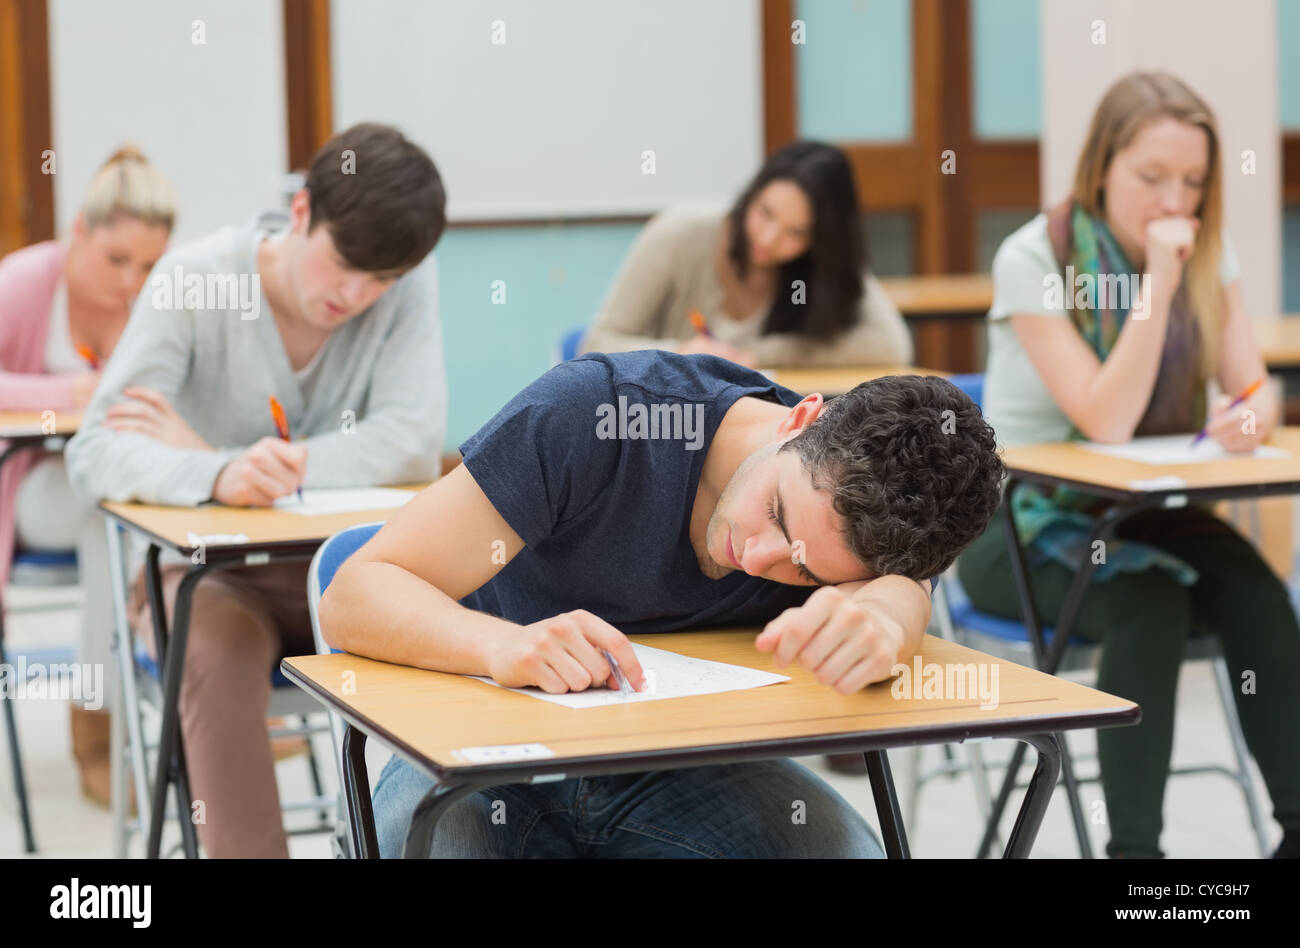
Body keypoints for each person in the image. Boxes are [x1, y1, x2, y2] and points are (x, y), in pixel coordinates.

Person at [320, 349, 1005, 857]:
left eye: (806, 570)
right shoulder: (598, 415)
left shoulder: (860, 524)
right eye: (776, 513)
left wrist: (887, 613)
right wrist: (498, 645)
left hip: (688, 769)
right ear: (799, 419)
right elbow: (355, 592)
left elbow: (905, 589)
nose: (761, 557)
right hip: (482, 758)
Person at [65, 122, 449, 857]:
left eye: (382, 282)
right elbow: (96, 449)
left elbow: (411, 440)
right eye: (343, 265)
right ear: (301, 213)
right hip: (213, 577)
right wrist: (215, 476)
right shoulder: (193, 280)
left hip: (349, 569)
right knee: (209, 639)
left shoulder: (404, 279)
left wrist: (232, 457)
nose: (356, 295)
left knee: (462, 613)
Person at [955, 70, 1300, 859]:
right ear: (1101, 166)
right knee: (1149, 601)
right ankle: (1135, 861)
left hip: (1142, 511)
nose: (1175, 204)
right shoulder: (1034, 257)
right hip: (1018, 525)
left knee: (1255, 588)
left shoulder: (1212, 251)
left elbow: (1255, 387)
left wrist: (1250, 415)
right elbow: (1104, 417)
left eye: (1194, 182)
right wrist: (1160, 285)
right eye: (1152, 178)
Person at [0, 146, 175, 805]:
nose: (133, 280)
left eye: (150, 264)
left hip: (110, 478)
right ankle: (97, 733)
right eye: (117, 259)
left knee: (131, 511)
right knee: (111, 512)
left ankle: (187, 696)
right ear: (79, 231)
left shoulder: (154, 303)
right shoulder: (25, 282)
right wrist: (66, 390)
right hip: (25, 491)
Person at [578, 141, 912, 368]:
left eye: (796, 232)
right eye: (765, 213)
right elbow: (595, 344)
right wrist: (680, 353)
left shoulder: (821, 266)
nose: (768, 239)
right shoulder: (681, 235)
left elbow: (890, 344)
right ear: (751, 194)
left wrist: (757, 355)